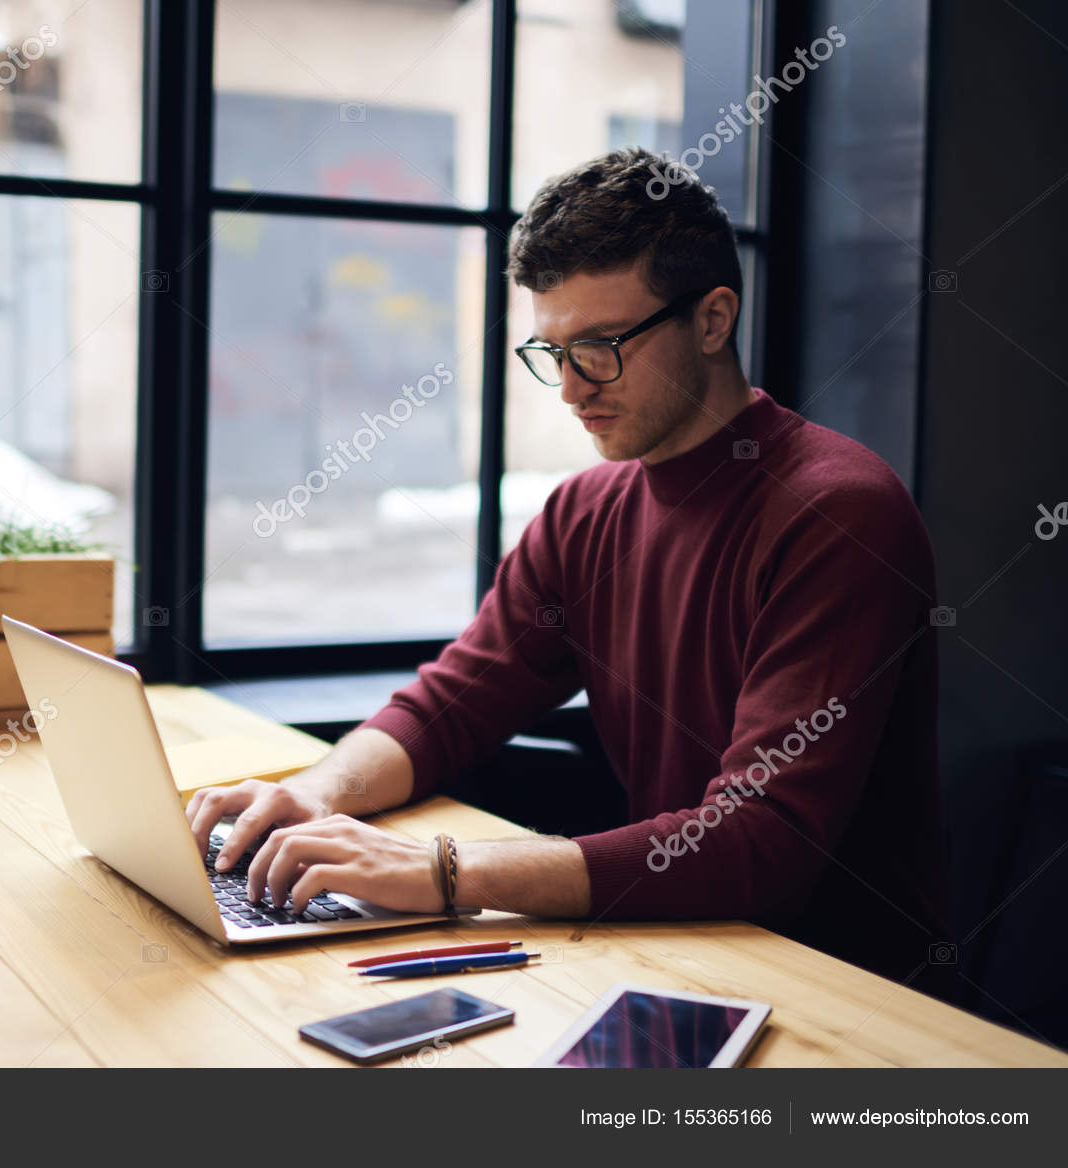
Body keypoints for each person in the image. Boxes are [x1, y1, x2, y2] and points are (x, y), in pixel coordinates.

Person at [186, 147, 951, 988]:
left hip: (845, 987)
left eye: (600, 347)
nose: (572, 390)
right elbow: (453, 703)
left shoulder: (838, 513)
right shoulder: (584, 511)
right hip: (682, 952)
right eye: (552, 351)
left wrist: (446, 872)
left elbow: (762, 841)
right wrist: (319, 790)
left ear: (712, 320)